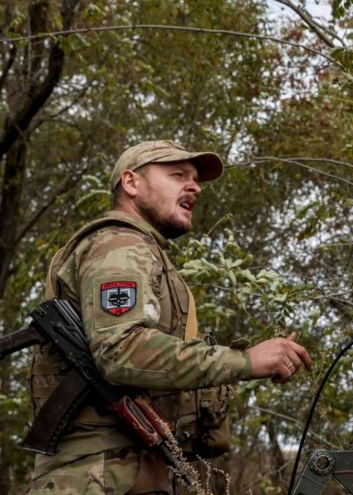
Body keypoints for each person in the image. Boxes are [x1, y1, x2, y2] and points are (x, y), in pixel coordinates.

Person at [27, 140, 313, 494]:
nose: (194, 186)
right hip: (97, 476)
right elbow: (121, 350)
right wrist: (245, 361)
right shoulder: (119, 245)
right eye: (178, 175)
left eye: (195, 179)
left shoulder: (143, 252)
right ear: (131, 184)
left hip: (124, 472)